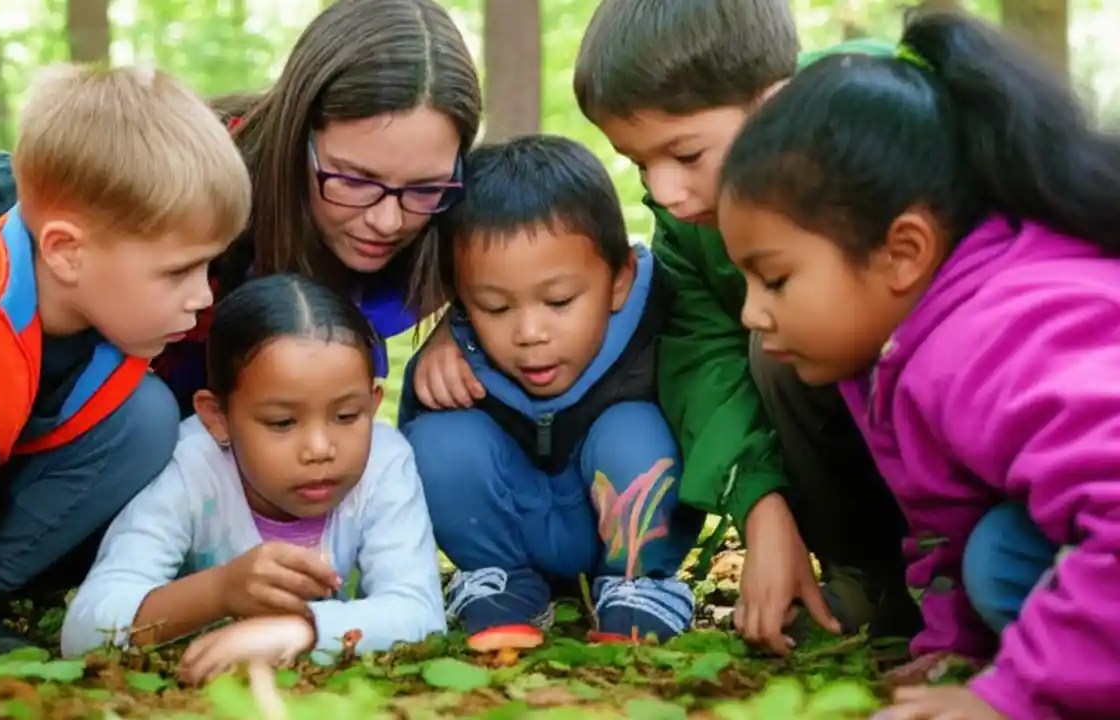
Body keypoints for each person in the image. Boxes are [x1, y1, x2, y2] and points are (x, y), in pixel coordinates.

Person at [717, 10, 1120, 720]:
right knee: (997, 557)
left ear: (903, 252)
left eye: (774, 279)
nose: (751, 312)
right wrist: (957, 652)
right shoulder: (909, 343)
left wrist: (1014, 697)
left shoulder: (1000, 333)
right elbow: (950, 518)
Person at [0, 64, 251, 674]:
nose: (202, 298)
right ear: (65, 250)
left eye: (207, 268)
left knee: (145, 416)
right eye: (177, 272)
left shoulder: (104, 326)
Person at [565, 0, 921, 656]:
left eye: (685, 153)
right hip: (838, 439)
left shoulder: (890, 125)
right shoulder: (686, 225)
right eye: (640, 164)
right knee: (775, 347)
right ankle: (866, 578)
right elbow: (705, 361)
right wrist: (762, 508)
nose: (665, 190)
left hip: (952, 412)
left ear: (777, 104)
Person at [62, 274, 444, 679]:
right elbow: (85, 628)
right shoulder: (190, 466)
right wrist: (219, 591)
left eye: (347, 416)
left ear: (373, 403)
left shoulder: (384, 460)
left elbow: (420, 611)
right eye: (282, 422)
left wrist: (302, 630)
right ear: (217, 418)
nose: (320, 448)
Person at [400, 135, 699, 649]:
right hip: (515, 526)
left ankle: (641, 585)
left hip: (615, 526)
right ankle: (498, 581)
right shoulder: (456, 355)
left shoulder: (663, 319)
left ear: (620, 279)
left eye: (559, 301)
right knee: (438, 438)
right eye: (495, 308)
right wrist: (437, 352)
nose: (530, 333)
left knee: (634, 432)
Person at [153, 0, 482, 416]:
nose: (387, 222)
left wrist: (468, 324)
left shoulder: (467, 207)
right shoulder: (191, 178)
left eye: (424, 187)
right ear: (298, 134)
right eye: (354, 179)